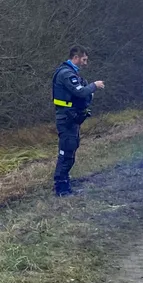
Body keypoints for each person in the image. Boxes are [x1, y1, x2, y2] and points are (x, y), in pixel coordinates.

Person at [51, 45, 105, 196]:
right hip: (66, 118)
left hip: (71, 118)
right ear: (76, 57)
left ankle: (65, 184)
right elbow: (80, 92)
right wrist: (94, 86)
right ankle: (60, 188)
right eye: (84, 59)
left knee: (71, 150)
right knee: (66, 152)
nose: (86, 63)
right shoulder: (66, 74)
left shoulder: (71, 73)